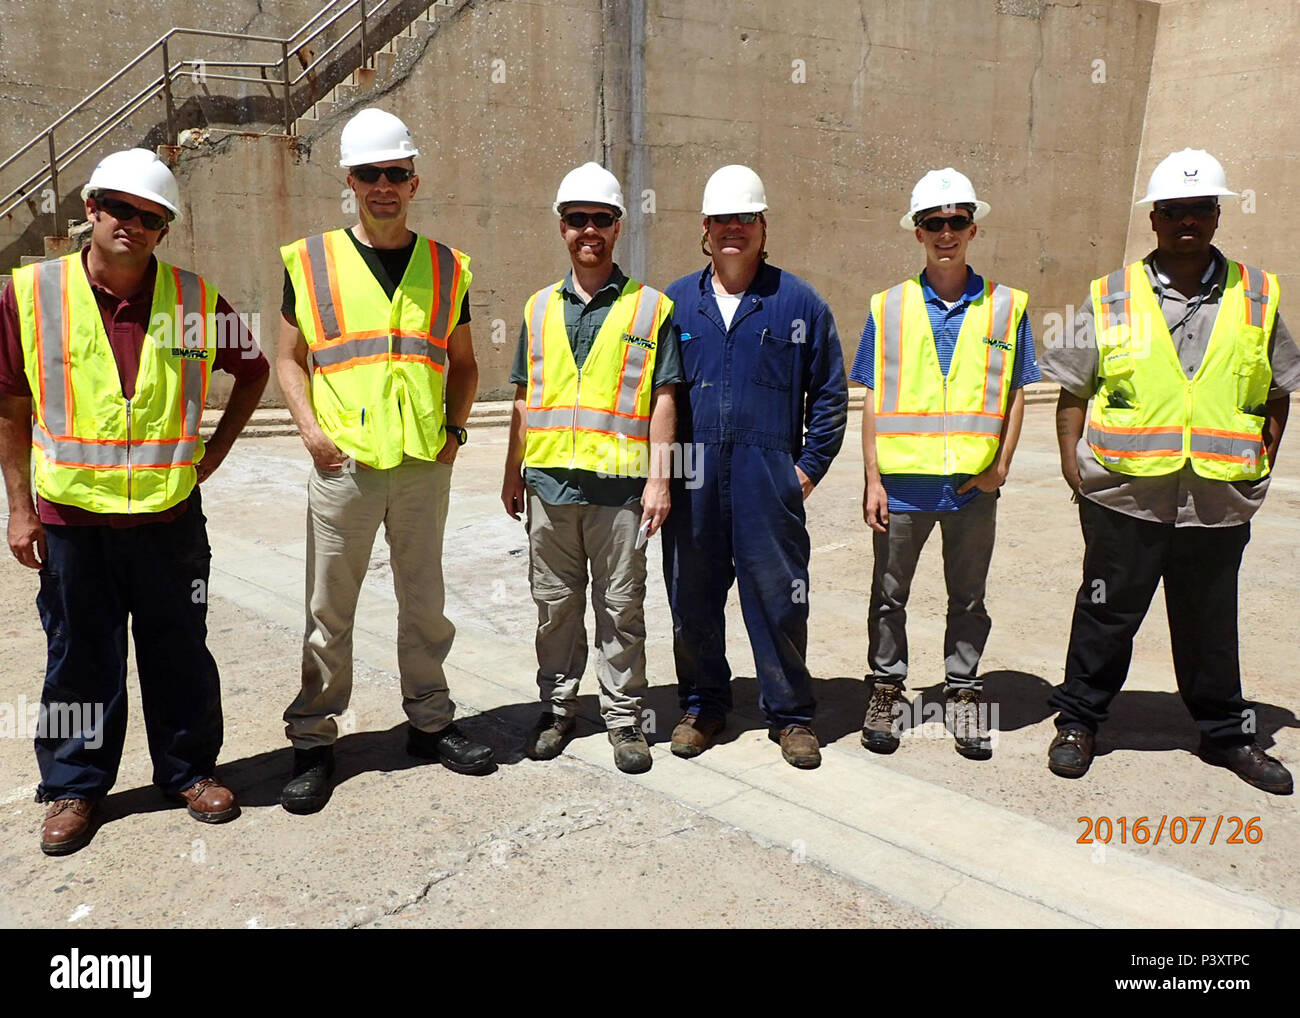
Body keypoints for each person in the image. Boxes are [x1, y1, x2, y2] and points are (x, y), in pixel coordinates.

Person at [0, 148, 268, 854]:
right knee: (78, 660)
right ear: (91, 209)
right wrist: (19, 506)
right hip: (72, 520)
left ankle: (186, 771)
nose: (134, 224)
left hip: (168, 519)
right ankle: (73, 787)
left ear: (164, 230)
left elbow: (254, 369)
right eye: (120, 208)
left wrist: (215, 452)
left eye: (151, 217)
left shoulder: (193, 301)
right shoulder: (32, 294)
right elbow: (10, 400)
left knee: (179, 651)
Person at [1041, 149, 1298, 794]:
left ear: (1215, 216)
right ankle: (1078, 722)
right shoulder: (1111, 294)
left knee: (1210, 621)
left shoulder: (1257, 294)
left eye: (1200, 210)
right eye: (1175, 211)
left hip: (1216, 498)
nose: (1187, 221)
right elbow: (1073, 390)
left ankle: (1226, 735)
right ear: (1154, 219)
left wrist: (1256, 463)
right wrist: (1079, 471)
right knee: (1105, 613)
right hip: (1124, 495)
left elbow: (1277, 391)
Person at [277, 108, 492, 814]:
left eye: (395, 173)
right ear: (350, 181)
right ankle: (313, 739)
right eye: (369, 174)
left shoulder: (445, 266)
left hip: (423, 465)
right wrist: (309, 431)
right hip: (343, 467)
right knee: (327, 610)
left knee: (424, 604)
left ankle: (430, 722)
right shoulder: (310, 262)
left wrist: (455, 433)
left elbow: (464, 365)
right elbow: (287, 358)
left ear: (413, 180)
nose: (383, 186)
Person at [661, 165, 847, 770]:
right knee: (693, 601)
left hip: (769, 477)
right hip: (692, 473)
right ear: (705, 230)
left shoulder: (797, 302)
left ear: (764, 226)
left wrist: (807, 469)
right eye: (722, 220)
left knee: (779, 601)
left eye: (745, 218)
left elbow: (829, 393)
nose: (733, 229)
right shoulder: (675, 304)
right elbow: (649, 395)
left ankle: (790, 716)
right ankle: (702, 706)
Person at [501, 162, 681, 774]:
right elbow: (525, 397)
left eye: (600, 220)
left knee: (621, 607)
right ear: (562, 228)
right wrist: (511, 472)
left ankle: (625, 719)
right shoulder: (536, 308)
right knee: (554, 606)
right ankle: (557, 709)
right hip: (549, 487)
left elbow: (663, 397)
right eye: (578, 220)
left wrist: (659, 480)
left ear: (617, 227)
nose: (589, 231)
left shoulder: (651, 309)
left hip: (620, 491)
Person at [854, 168, 1039, 760]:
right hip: (903, 484)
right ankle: (886, 689)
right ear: (917, 232)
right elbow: (873, 397)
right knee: (890, 596)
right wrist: (873, 480)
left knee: (969, 598)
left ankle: (962, 694)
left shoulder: (1006, 307)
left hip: (971, 485)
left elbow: (1016, 392)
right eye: (933, 223)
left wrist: (1000, 469)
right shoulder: (888, 306)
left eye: (956, 221)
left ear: (972, 228)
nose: (945, 232)